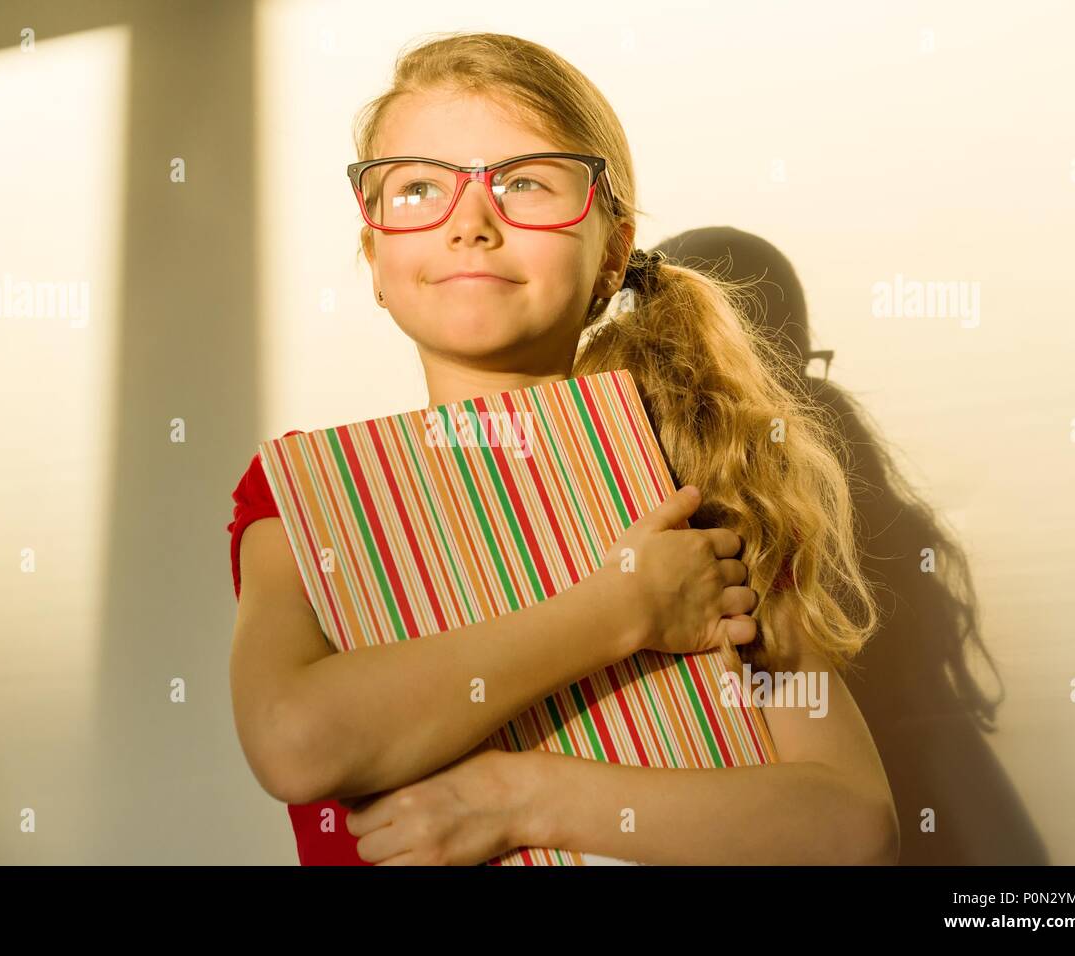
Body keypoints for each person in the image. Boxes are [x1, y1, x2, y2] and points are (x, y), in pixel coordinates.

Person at [228, 31, 897, 866]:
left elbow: (853, 828)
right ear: (374, 254)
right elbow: (296, 743)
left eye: (525, 184)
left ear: (612, 252)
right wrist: (620, 611)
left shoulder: (700, 479)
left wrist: (522, 799)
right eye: (420, 187)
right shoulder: (303, 494)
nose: (470, 222)